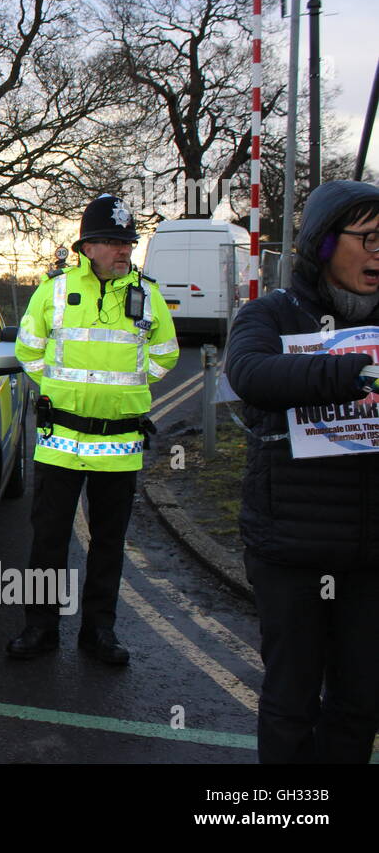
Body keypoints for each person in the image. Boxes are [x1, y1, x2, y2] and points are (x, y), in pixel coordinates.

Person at [226, 180, 379, 764]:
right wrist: (349, 375)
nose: (377, 253)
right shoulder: (272, 313)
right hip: (292, 548)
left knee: (359, 704)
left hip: (370, 555)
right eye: (366, 239)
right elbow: (251, 374)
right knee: (292, 703)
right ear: (321, 246)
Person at [7, 194, 178, 665]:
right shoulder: (55, 290)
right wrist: (61, 392)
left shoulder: (149, 293)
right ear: (88, 246)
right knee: (47, 543)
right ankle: (39, 629)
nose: (123, 250)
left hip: (120, 443)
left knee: (108, 544)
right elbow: (28, 350)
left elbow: (166, 355)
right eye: (112, 241)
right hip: (59, 441)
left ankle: (99, 632)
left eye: (128, 241)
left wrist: (123, 393)